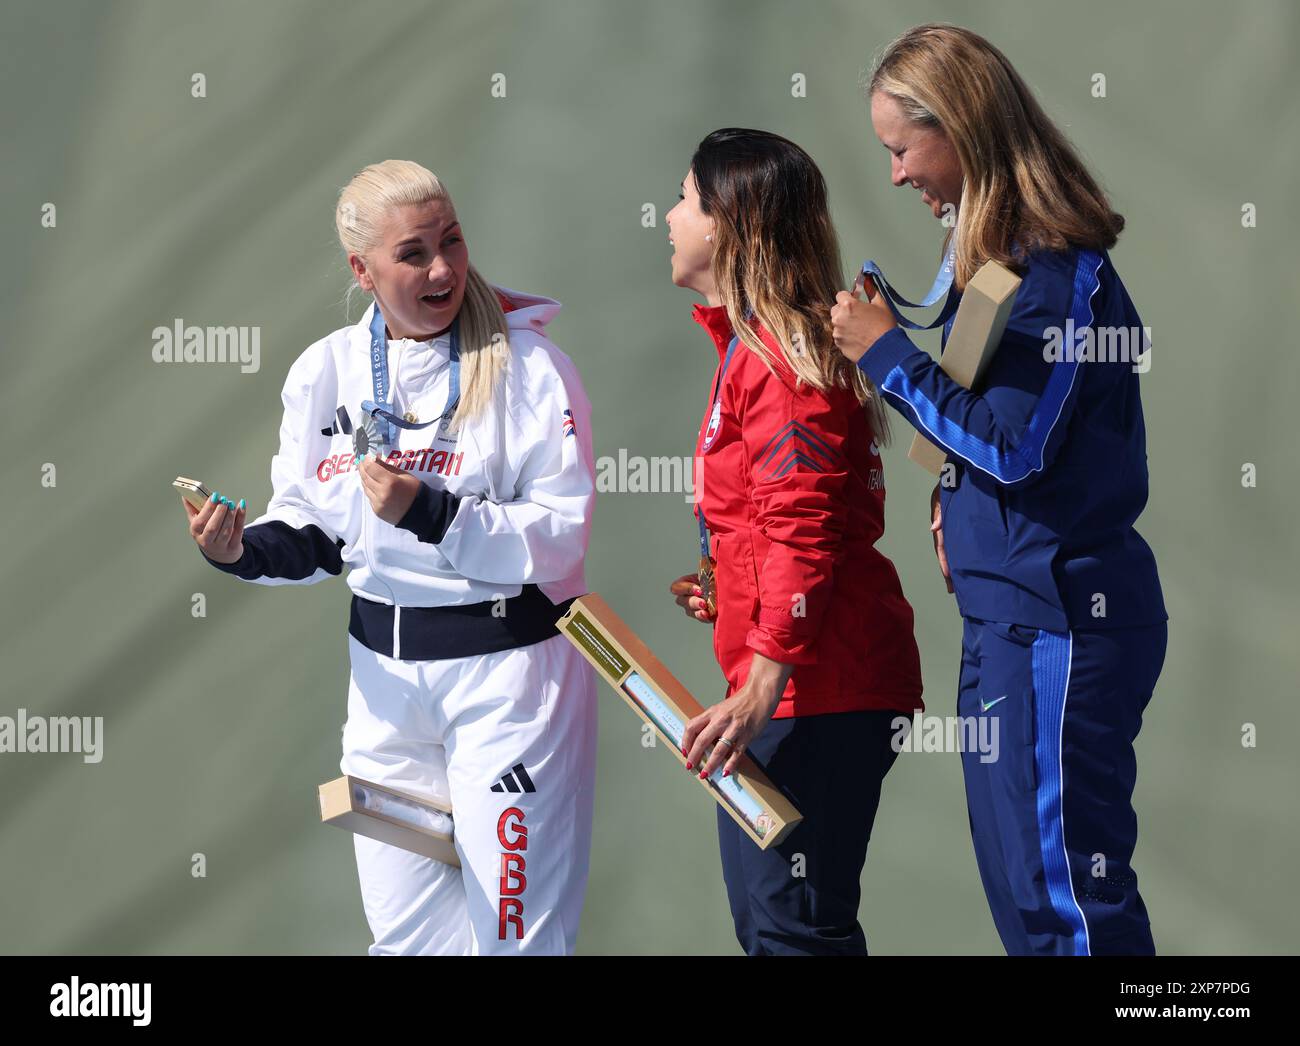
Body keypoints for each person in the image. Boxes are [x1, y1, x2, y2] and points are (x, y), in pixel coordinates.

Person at [181, 159, 598, 955]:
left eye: (452, 241)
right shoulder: (324, 370)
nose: (443, 268)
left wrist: (432, 512)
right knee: (407, 945)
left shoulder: (534, 369)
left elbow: (559, 536)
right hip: (383, 689)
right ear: (362, 271)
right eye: (413, 253)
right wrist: (242, 551)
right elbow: (316, 531)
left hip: (507, 681)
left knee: (515, 941)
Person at [832, 24, 1168, 956]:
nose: (897, 176)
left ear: (965, 131)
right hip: (1005, 621)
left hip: (1063, 621)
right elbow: (979, 440)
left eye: (902, 149)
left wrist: (890, 358)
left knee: (1068, 908)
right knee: (1027, 902)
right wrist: (947, 506)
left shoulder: (1053, 273)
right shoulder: (990, 268)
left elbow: (1017, 451)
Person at [667, 128, 924, 955]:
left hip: (812, 694)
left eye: (685, 200)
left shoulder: (778, 358)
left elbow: (805, 529)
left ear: (727, 228)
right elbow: (777, 528)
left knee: (794, 935)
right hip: (790, 686)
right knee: (771, 929)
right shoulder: (751, 350)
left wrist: (761, 683)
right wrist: (726, 586)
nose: (668, 219)